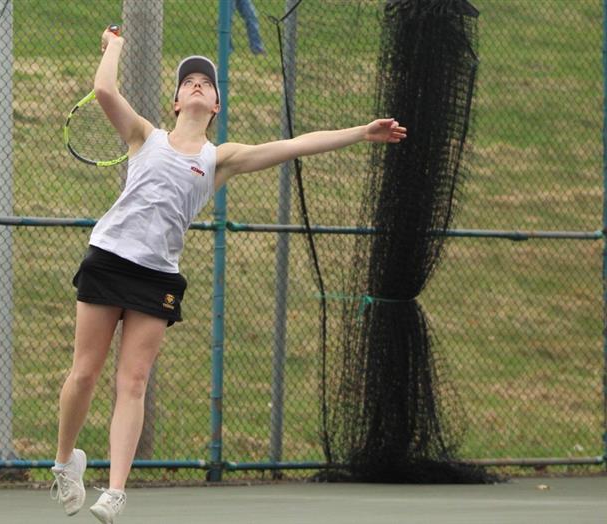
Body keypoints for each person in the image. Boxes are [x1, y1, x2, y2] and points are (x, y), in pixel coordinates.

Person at [49, 27, 407, 524]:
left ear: (215, 105)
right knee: (85, 373)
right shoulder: (145, 136)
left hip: (157, 277)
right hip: (108, 257)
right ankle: (65, 462)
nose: (197, 84)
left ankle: (115, 492)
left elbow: (294, 145)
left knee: (133, 381)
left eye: (206, 83)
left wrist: (361, 133)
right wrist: (115, 46)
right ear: (176, 102)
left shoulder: (221, 159)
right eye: (188, 81)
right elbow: (105, 90)